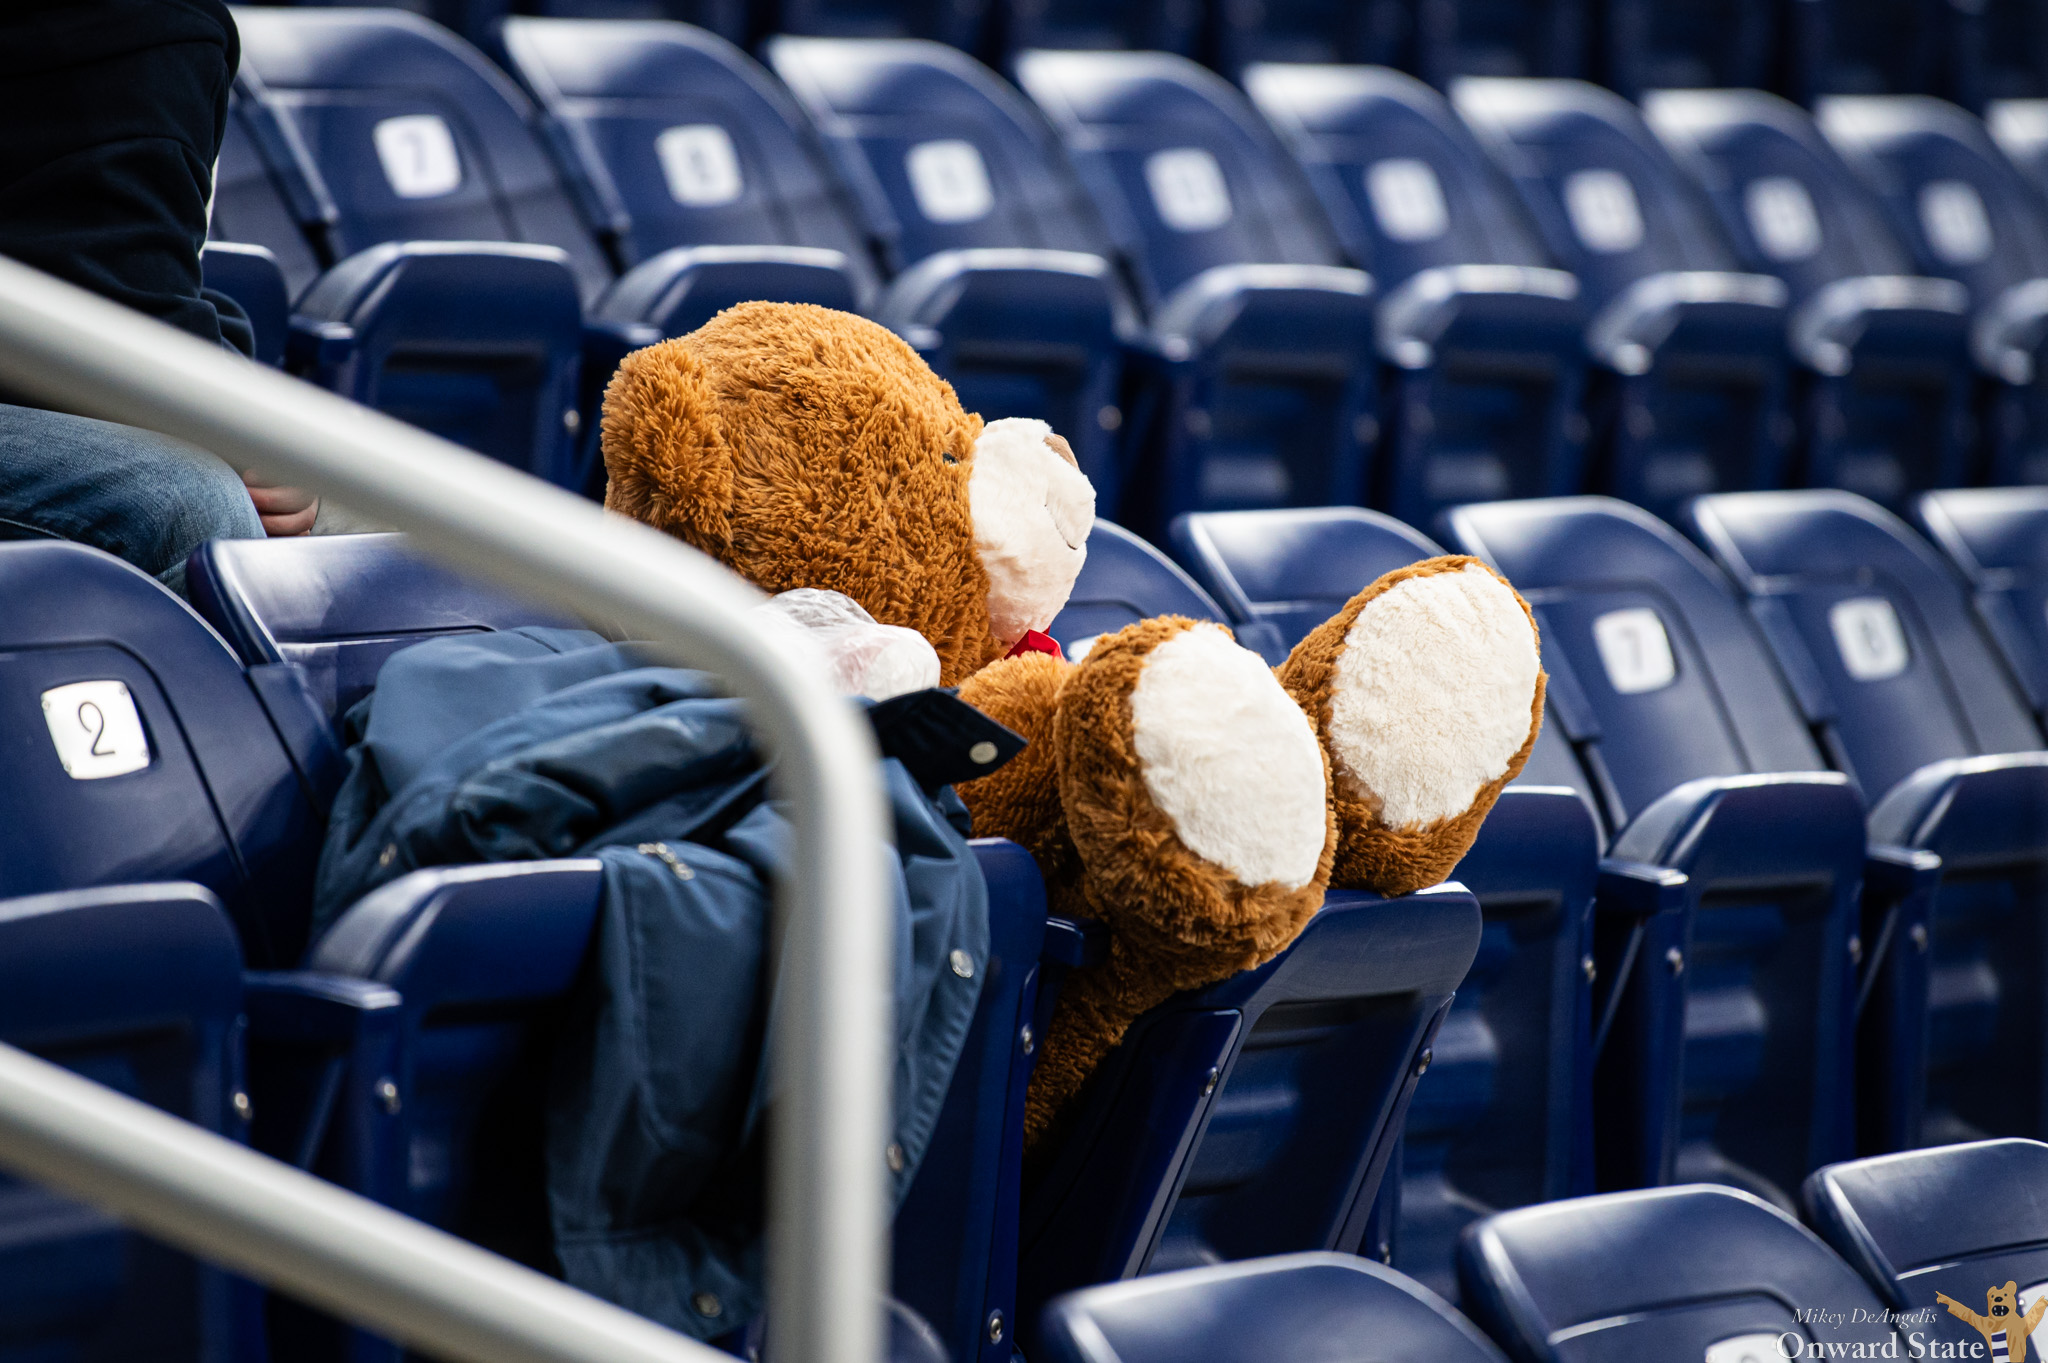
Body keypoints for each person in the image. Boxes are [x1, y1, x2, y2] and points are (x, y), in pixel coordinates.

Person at [0, 0, 317, 583]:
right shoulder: (150, 25)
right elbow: (111, 310)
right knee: (193, 504)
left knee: (430, 521)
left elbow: (141, 273)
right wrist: (245, 427)